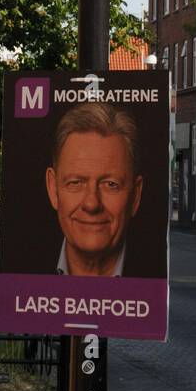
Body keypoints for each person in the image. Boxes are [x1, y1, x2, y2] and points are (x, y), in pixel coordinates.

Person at [45, 102, 143, 278]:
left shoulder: (149, 280)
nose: (92, 204)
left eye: (110, 184)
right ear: (53, 188)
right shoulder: (27, 277)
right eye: (76, 183)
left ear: (135, 195)